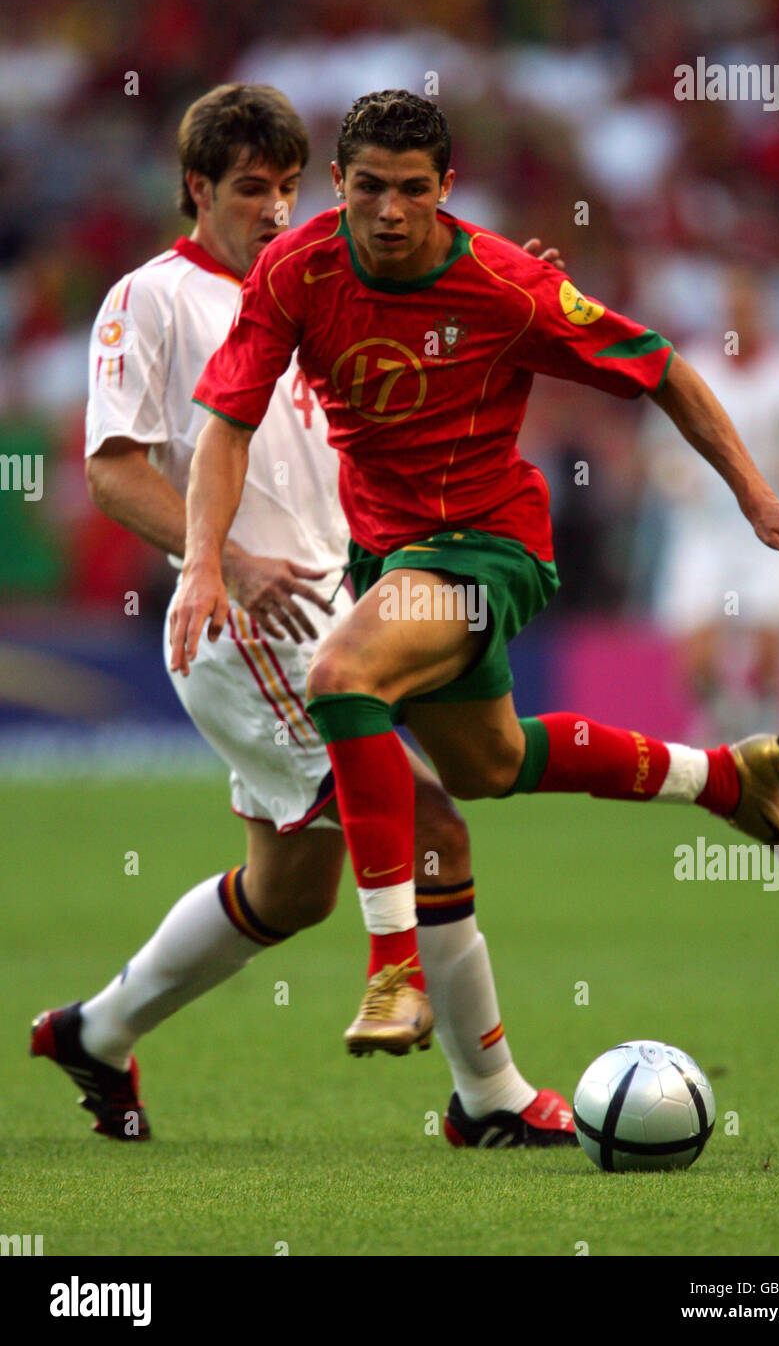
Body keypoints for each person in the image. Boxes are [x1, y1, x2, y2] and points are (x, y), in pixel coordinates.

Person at [170, 90, 779, 1058]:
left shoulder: (507, 285)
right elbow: (225, 425)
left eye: (409, 190)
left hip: (485, 543)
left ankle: (391, 966)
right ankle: (725, 778)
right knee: (487, 766)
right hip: (386, 549)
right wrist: (198, 566)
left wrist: (756, 498)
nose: (387, 211)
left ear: (444, 190)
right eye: (366, 188)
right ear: (337, 184)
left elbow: (662, 370)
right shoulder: (294, 268)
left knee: (343, 677)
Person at [30, 83, 578, 1150]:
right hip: (248, 623)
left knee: (290, 892)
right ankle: (490, 1097)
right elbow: (112, 473)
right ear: (197, 189)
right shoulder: (151, 299)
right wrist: (223, 563)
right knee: (432, 827)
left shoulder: (323, 281)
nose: (275, 209)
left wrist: (509, 312)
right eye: (249, 190)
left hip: (339, 597)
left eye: (287, 187)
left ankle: (94, 1032)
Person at [642, 263, 779, 739]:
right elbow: (657, 448)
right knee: (695, 656)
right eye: (731, 310)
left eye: (747, 309)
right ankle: (722, 724)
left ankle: (764, 735)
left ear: (764, 312)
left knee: (769, 649)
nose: (739, 319)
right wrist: (674, 478)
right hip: (705, 526)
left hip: (778, 527)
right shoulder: (695, 368)